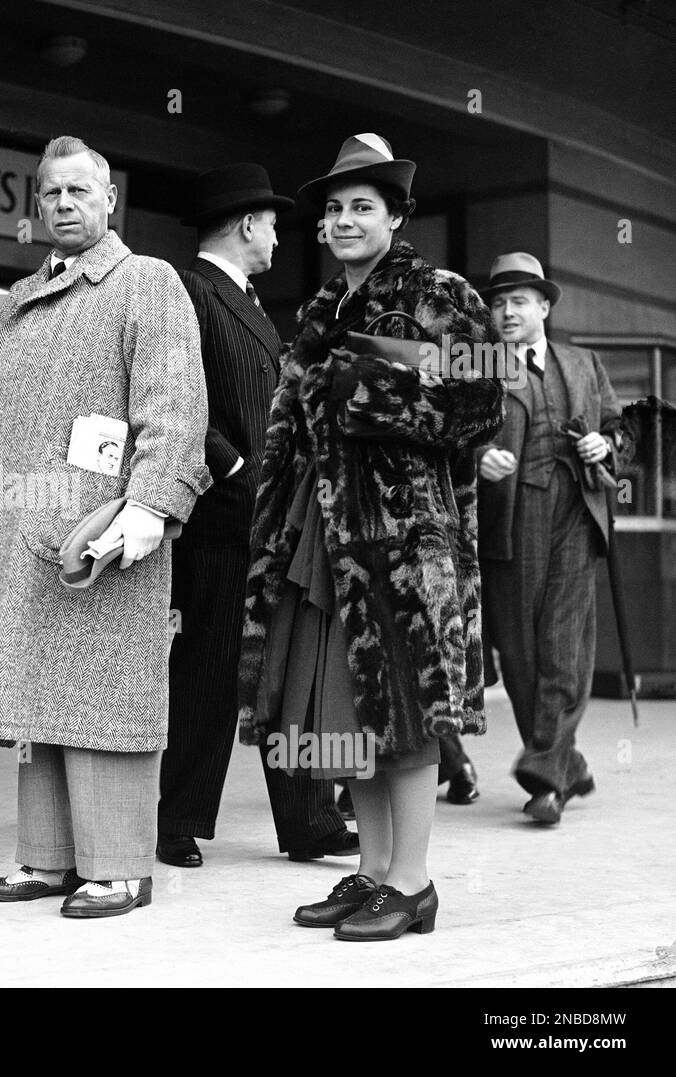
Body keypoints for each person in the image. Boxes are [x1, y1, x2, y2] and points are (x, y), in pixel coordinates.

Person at [0, 135, 210, 919]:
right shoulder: (22, 296)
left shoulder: (146, 282)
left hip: (102, 536)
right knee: (38, 706)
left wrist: (154, 505)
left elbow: (176, 405)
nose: (63, 205)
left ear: (110, 197)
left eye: (79, 191)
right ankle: (49, 858)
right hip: (25, 536)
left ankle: (119, 866)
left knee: (102, 708)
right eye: (50, 193)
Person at [237, 134, 504, 940]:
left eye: (363, 206)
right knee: (353, 709)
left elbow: (479, 403)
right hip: (321, 531)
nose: (345, 219)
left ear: (395, 216)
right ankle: (374, 872)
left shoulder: (439, 293)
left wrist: (362, 391)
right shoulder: (322, 310)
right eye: (335, 208)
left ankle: (413, 883)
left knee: (407, 707)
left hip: (402, 536)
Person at [159, 162, 358, 870]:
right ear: (247, 224)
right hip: (226, 525)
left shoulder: (244, 299)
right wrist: (238, 472)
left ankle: (309, 821)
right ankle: (175, 820)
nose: (278, 235)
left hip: (275, 526)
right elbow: (182, 404)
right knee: (210, 674)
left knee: (285, 675)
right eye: (272, 222)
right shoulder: (191, 291)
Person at [476, 252, 624, 826]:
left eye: (518, 301)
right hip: (511, 520)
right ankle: (569, 763)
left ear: (544, 307)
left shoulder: (585, 364)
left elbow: (619, 428)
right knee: (519, 654)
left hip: (575, 515)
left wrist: (605, 447)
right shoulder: (479, 369)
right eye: (497, 302)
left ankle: (543, 775)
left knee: (565, 647)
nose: (506, 312)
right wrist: (479, 457)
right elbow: (451, 437)